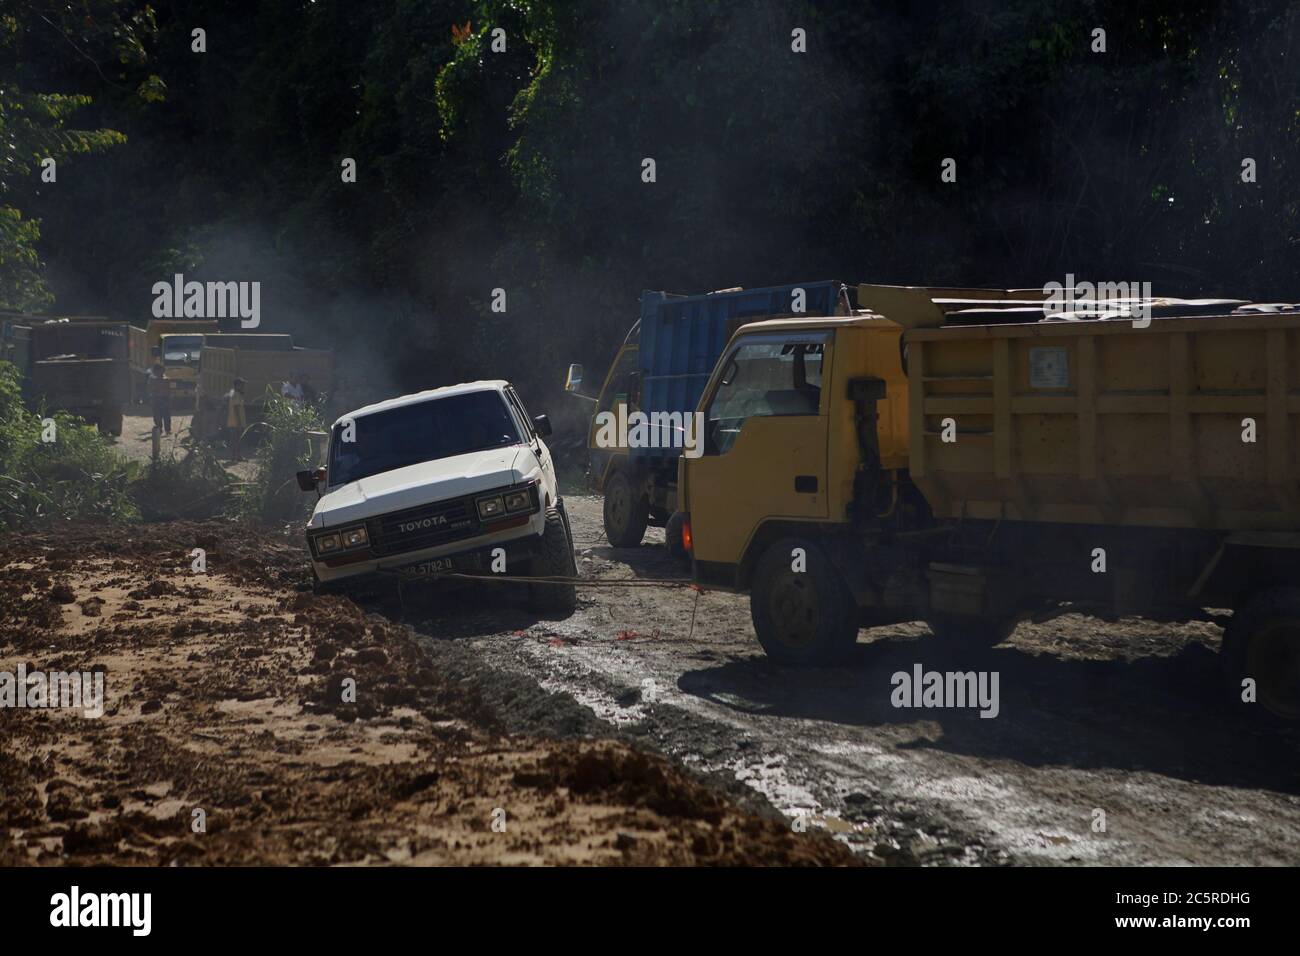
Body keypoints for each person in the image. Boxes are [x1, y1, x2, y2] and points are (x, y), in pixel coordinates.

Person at [225, 378, 247, 462]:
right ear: (237, 385)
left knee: (235, 439)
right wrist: (239, 423)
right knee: (238, 439)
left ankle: (235, 456)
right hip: (236, 421)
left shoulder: (233, 393)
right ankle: (236, 456)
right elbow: (237, 408)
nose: (243, 386)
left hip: (232, 420)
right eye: (241, 384)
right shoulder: (237, 394)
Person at [148, 362, 171, 434]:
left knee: (166, 415)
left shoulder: (166, 379)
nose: (158, 373)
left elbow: (169, 390)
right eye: (156, 371)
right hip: (157, 399)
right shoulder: (152, 380)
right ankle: (159, 428)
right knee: (157, 415)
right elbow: (150, 389)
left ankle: (167, 429)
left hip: (164, 399)